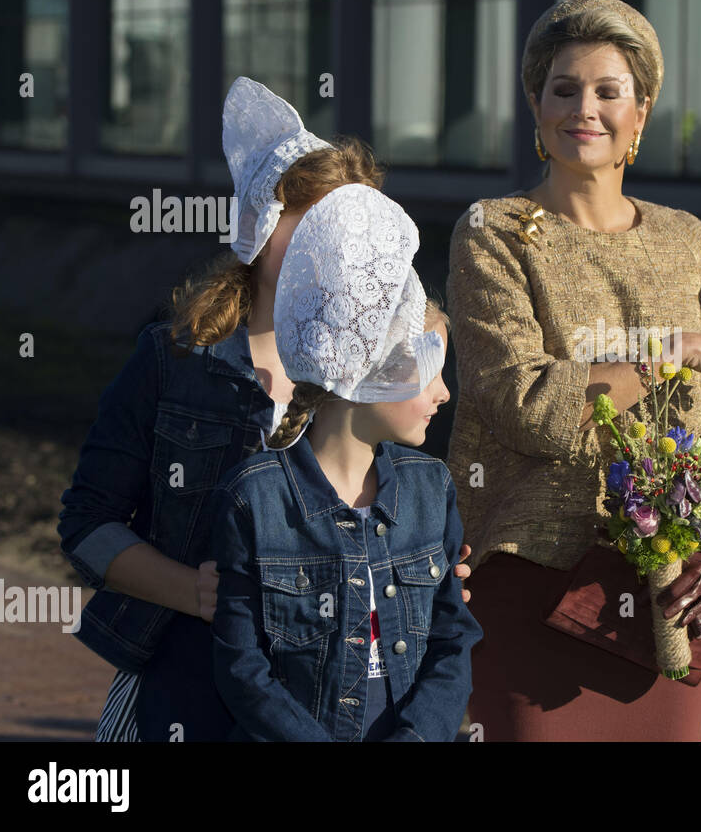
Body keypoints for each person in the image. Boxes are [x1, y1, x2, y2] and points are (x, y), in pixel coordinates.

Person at [57, 77, 468, 742]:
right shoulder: (175, 362)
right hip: (189, 680)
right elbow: (87, 526)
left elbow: (398, 516)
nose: (338, 244)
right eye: (315, 221)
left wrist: (417, 576)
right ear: (263, 224)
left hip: (340, 700)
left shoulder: (385, 360)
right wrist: (194, 590)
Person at [446, 0, 701, 741]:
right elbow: (528, 406)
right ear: (535, 105)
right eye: (563, 89)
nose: (585, 109)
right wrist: (682, 351)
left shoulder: (688, 238)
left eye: (610, 91)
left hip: (671, 592)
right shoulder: (493, 232)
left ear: (641, 112)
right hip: (524, 583)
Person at [209, 183, 481, 741]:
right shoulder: (256, 499)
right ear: (367, 371)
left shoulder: (432, 490)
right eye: (428, 371)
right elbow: (243, 668)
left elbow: (452, 643)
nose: (444, 394)